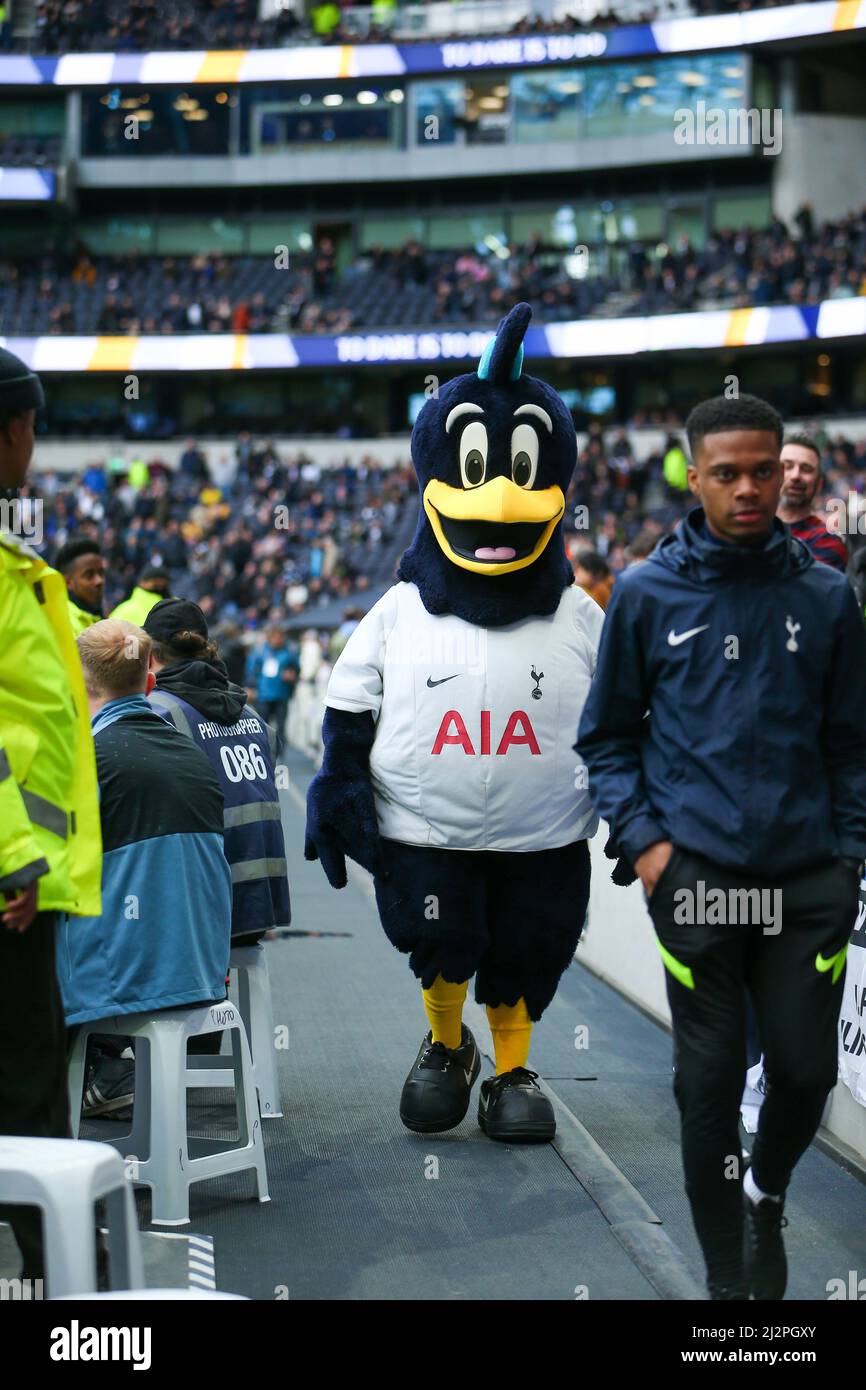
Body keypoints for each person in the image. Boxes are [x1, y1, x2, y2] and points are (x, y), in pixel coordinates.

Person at [578, 392, 866, 1301]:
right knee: (705, 1090)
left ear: (785, 468)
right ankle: (728, 1294)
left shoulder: (826, 594)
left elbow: (852, 743)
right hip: (696, 885)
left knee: (806, 1071)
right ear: (694, 477)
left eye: (764, 469)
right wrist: (649, 846)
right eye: (728, 473)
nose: (750, 488)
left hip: (808, 883)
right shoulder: (644, 592)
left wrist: (847, 856)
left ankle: (767, 1189)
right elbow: (608, 737)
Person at [0, 347, 102, 1278]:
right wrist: (13, 859)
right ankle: (67, 1290)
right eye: (29, 423)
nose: (35, 441)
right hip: (10, 884)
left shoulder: (14, 563)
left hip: (23, 873)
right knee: (29, 1088)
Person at [59, 619, 232, 1113]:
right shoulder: (195, 755)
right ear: (150, 682)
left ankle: (96, 1076)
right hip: (202, 969)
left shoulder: (83, 759)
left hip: (128, 982)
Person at [144, 598, 290, 946]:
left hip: (201, 907)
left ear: (149, 655)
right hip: (262, 901)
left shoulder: (157, 715)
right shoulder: (253, 717)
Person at [777, 432, 849, 573]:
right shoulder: (751, 529)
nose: (796, 475)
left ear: (819, 484)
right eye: (787, 466)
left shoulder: (828, 541)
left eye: (806, 469)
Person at [245, 623, 297, 753]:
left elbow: (296, 668)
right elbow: (251, 671)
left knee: (281, 726)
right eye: (275, 637)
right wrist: (250, 687)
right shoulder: (260, 652)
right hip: (263, 694)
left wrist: (292, 675)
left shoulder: (288, 653)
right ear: (270, 638)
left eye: (280, 637)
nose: (278, 640)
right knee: (263, 725)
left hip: (281, 694)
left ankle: (279, 754)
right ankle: (264, 751)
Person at [53, 536, 106, 635]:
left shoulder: (100, 618)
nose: (99, 581)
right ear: (68, 582)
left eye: (101, 573)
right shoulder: (63, 625)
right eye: (89, 575)